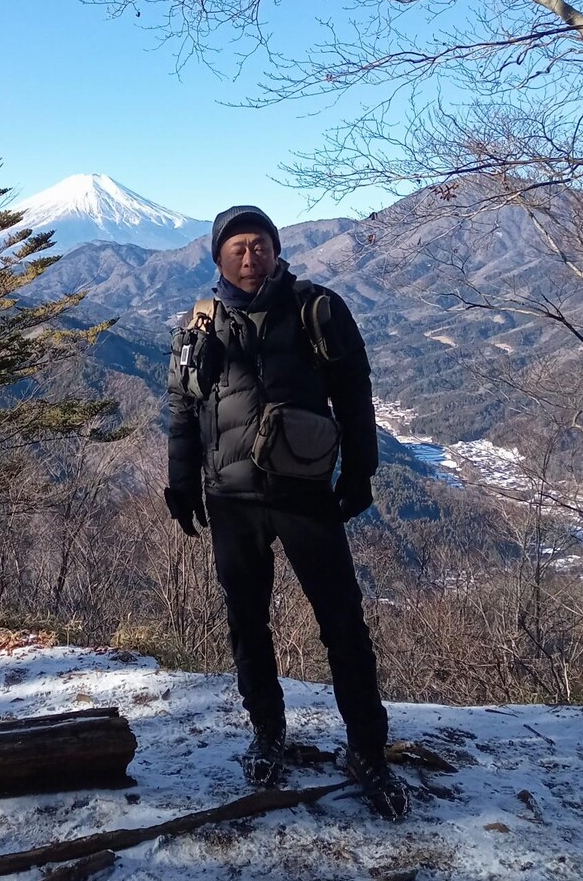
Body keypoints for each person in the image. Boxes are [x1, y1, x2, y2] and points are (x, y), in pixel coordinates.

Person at [164, 204, 409, 820]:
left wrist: (361, 468)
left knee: (342, 623)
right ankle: (267, 733)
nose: (251, 257)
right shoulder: (200, 324)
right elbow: (182, 407)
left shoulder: (315, 309)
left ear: (276, 251)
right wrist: (180, 482)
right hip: (230, 498)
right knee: (247, 622)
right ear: (218, 257)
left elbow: (354, 389)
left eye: (261, 245)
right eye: (238, 248)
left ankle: (367, 749)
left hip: (304, 494)